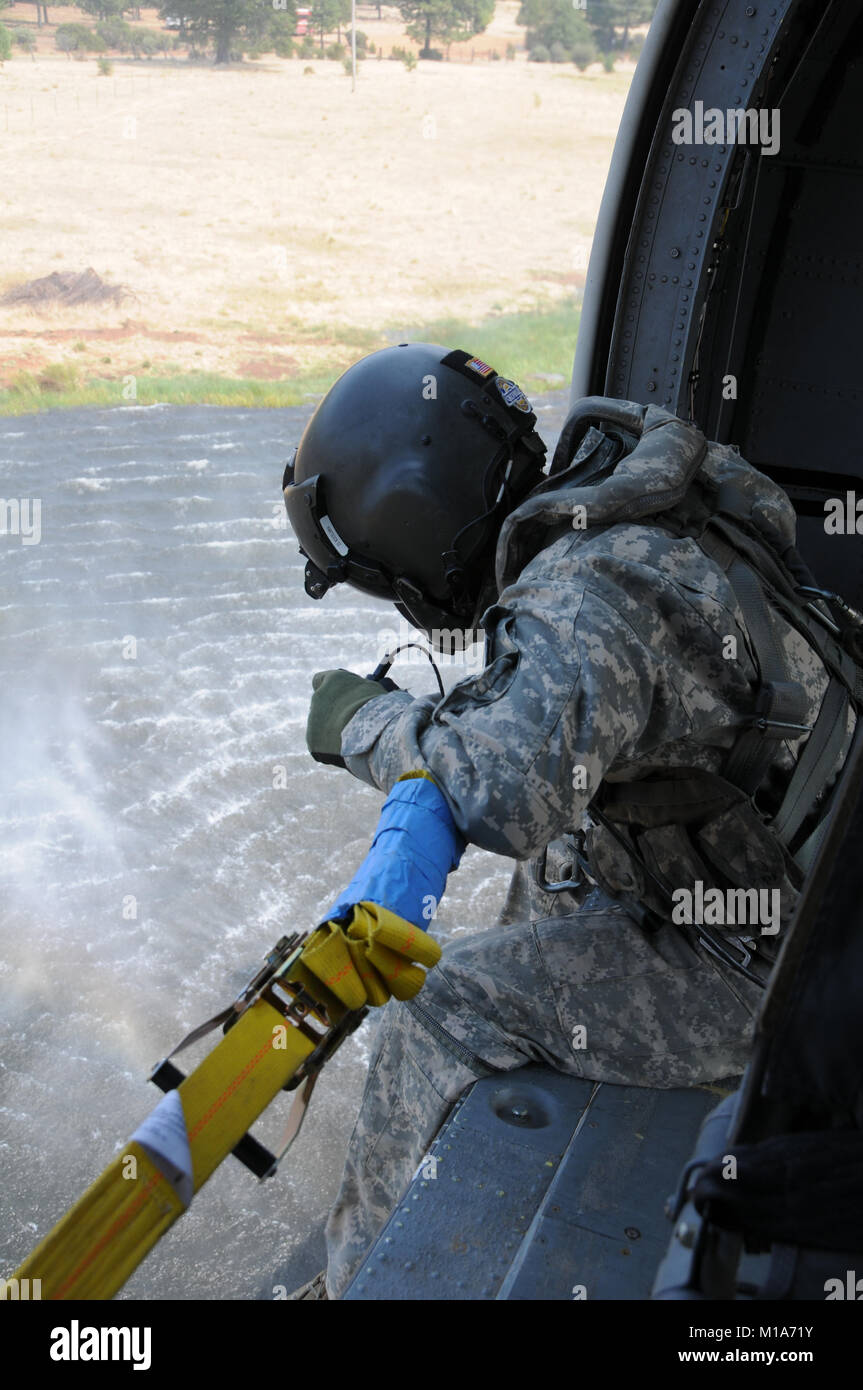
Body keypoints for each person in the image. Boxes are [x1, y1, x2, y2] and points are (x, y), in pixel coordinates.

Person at [281, 342, 860, 1300]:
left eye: (389, 576)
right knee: (561, 854)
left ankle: (352, 1287)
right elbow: (562, 729)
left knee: (443, 1001)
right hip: (812, 896)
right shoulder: (639, 508)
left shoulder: (585, 593)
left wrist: (365, 724)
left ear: (420, 528)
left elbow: (495, 787)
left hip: (789, 974)